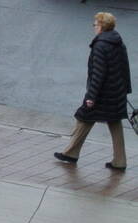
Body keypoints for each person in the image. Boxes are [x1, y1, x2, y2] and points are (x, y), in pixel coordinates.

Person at [55, 12, 130, 171]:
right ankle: (120, 161)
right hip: (117, 93)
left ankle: (71, 153)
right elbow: (124, 69)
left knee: (85, 117)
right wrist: (124, 91)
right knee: (115, 123)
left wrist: (91, 96)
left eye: (95, 24)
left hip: (103, 94)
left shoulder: (100, 45)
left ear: (102, 27)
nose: (94, 27)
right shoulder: (118, 42)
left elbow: (98, 73)